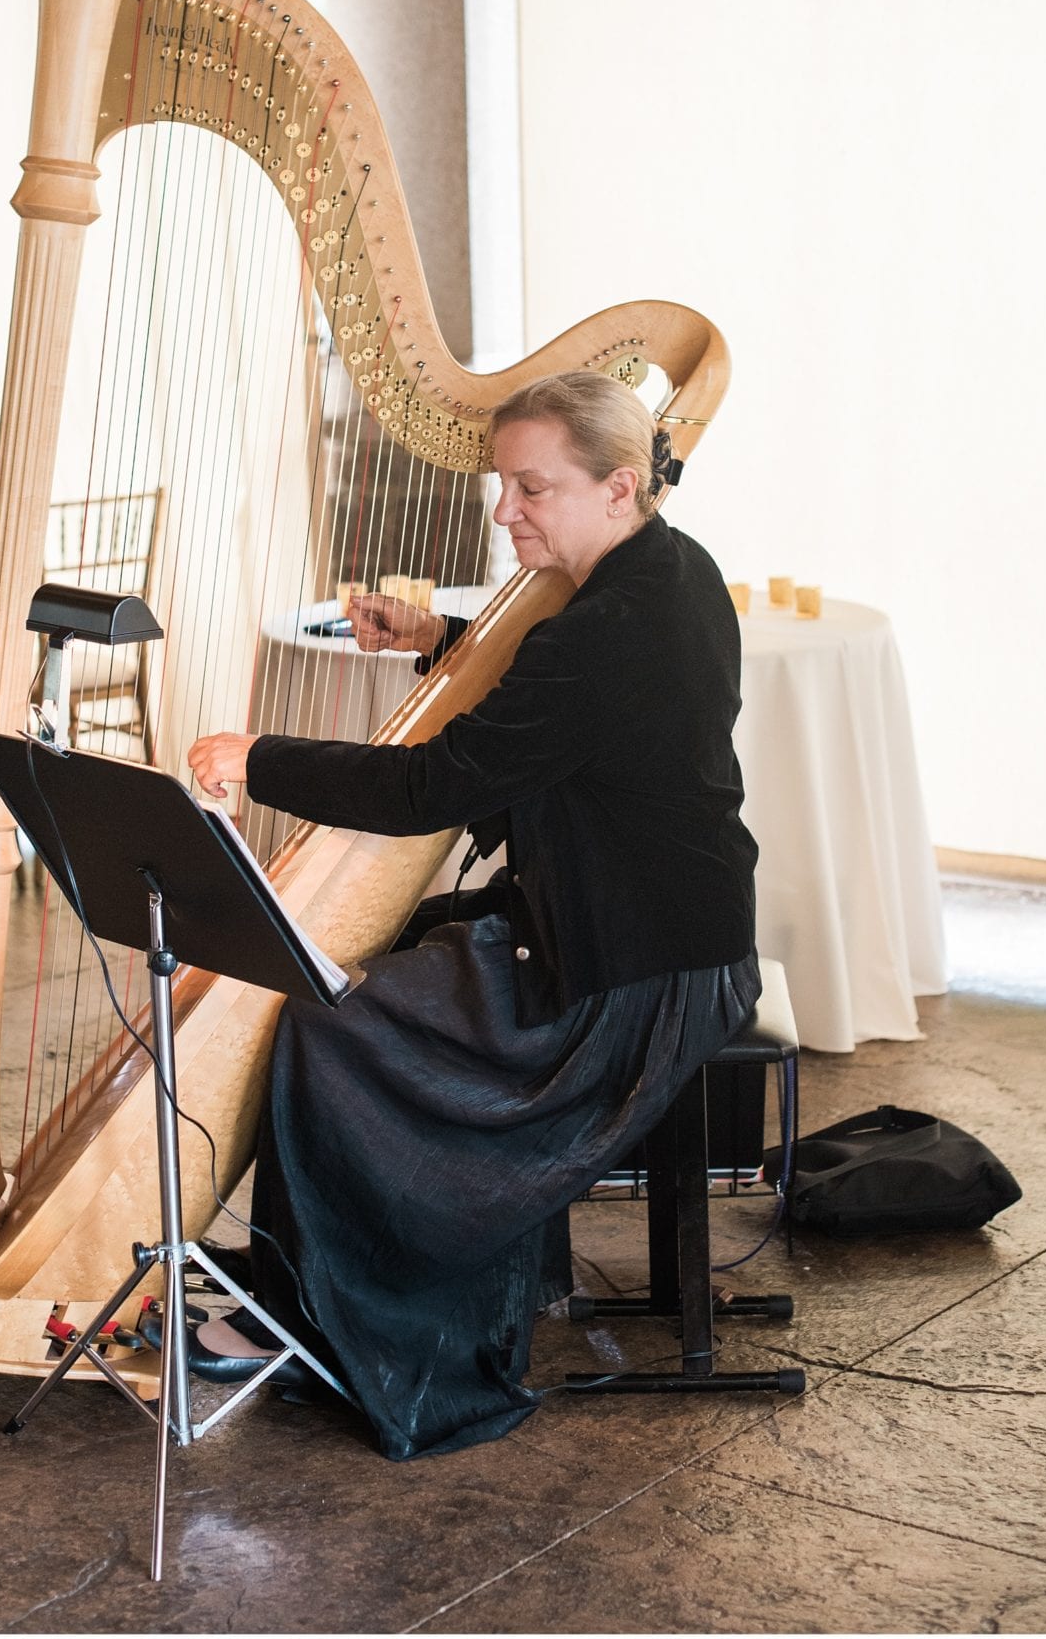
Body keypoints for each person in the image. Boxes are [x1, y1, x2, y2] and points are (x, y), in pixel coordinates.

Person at [185, 369, 760, 1460]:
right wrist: (430, 636)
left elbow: (432, 786)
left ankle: (353, 1322)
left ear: (619, 486)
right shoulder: (663, 574)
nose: (506, 513)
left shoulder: (613, 623)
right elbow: (552, 712)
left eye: (532, 488)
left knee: (328, 1022)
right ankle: (347, 1289)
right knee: (383, 963)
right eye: (506, 485)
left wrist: (258, 757)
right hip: (644, 936)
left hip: (629, 981)